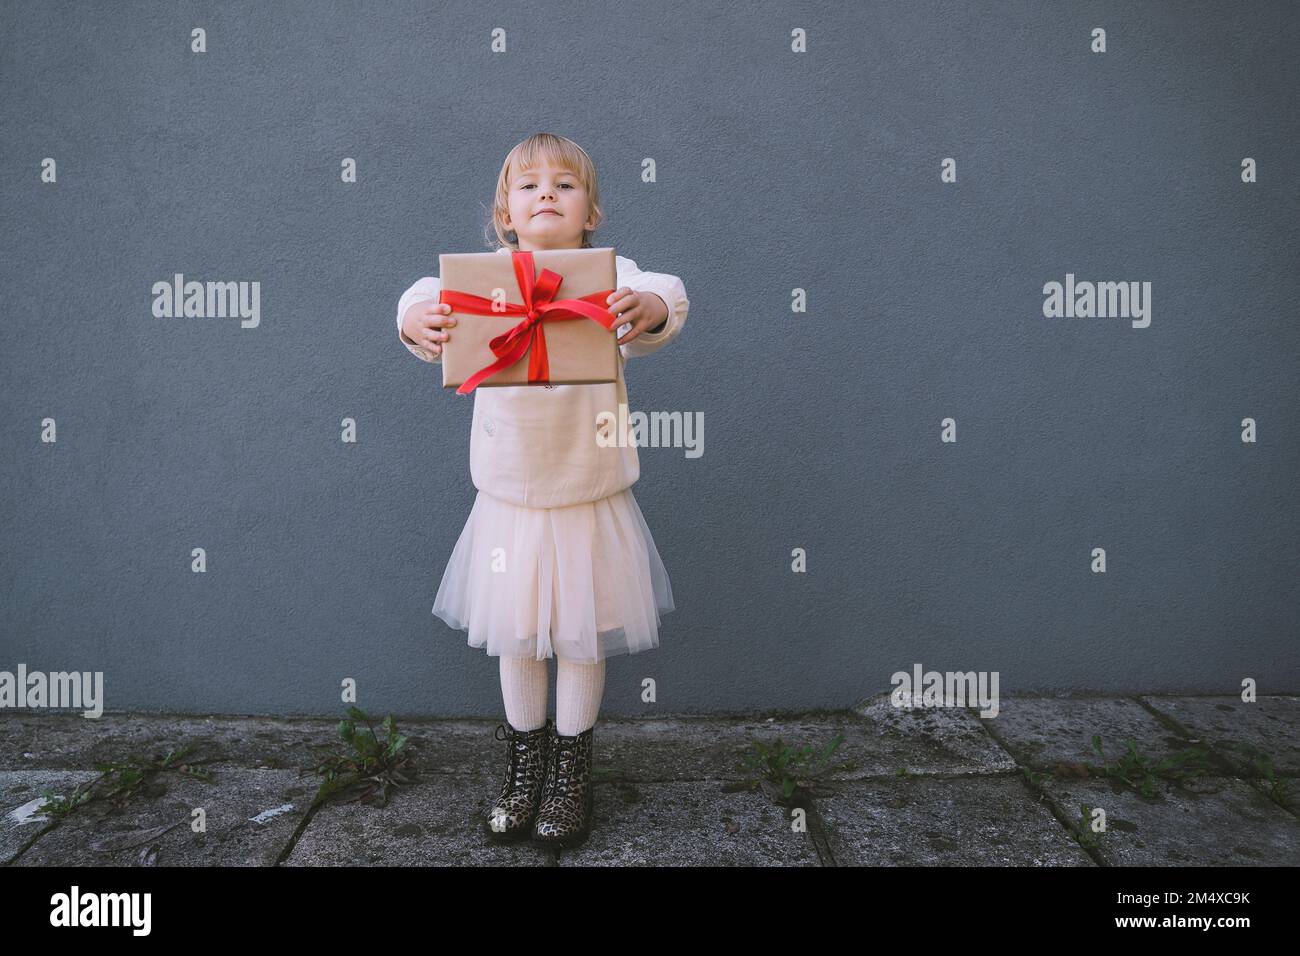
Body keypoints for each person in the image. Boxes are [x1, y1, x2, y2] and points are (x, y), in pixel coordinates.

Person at [395, 132, 689, 847]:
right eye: (529, 186)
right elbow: (421, 294)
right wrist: (413, 320)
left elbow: (667, 295)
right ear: (506, 214)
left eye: (565, 184)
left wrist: (646, 308)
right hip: (510, 501)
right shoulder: (480, 278)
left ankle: (570, 769)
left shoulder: (611, 278)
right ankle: (524, 763)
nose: (547, 195)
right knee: (518, 633)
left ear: (592, 211)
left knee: (581, 635)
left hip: (589, 495)